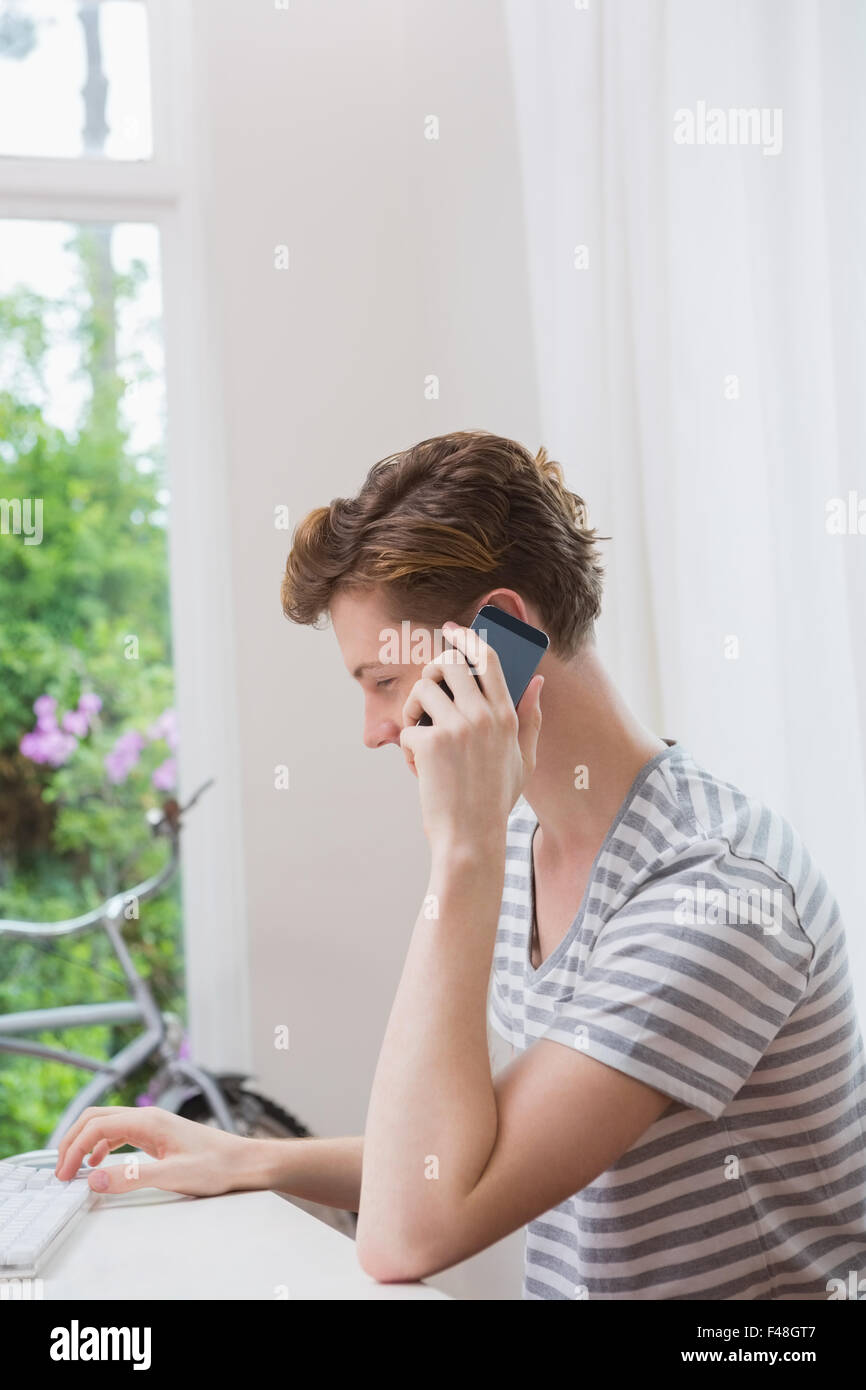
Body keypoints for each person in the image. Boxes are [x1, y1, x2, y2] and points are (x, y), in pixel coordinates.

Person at [55, 430, 866, 1300]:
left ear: (502, 639)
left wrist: (461, 852)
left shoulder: (714, 897)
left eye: (379, 680)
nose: (372, 729)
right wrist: (248, 1159)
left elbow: (408, 1237)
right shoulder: (529, 844)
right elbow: (476, 1153)